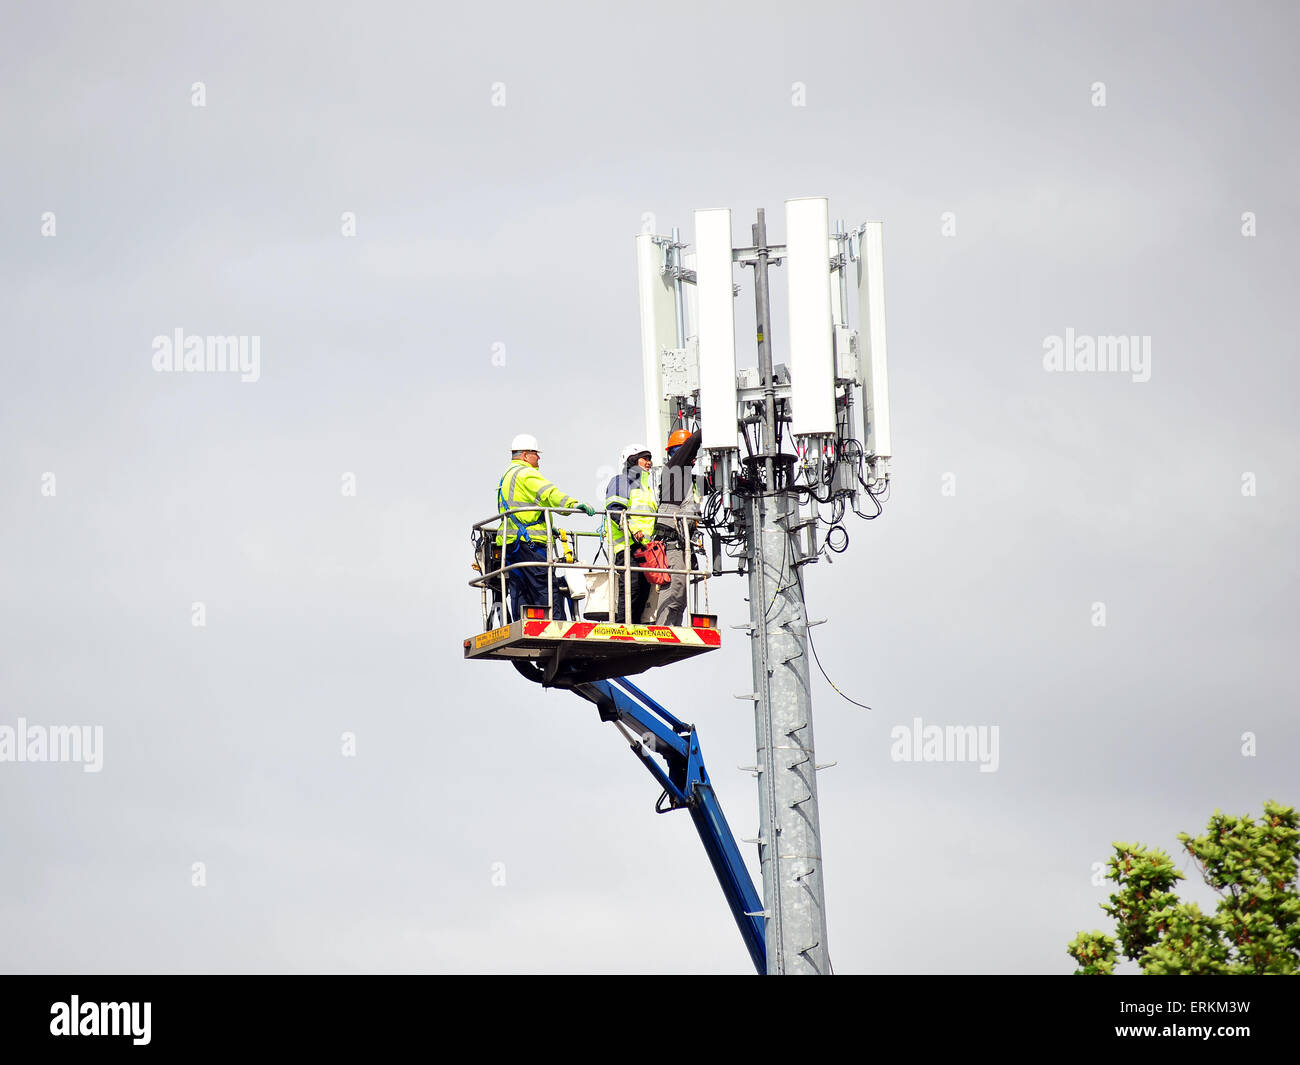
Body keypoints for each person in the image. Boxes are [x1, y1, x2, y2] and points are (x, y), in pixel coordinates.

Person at [496, 434, 595, 621]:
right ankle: (555, 626)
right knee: (545, 586)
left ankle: (523, 625)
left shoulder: (506, 478)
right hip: (529, 543)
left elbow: (523, 510)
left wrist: (551, 528)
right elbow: (550, 494)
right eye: (535, 453)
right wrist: (573, 505)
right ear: (525, 455)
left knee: (520, 589)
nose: (538, 458)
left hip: (511, 544)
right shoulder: (527, 474)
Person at [648, 427, 703, 626]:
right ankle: (664, 628)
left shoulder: (687, 478)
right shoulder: (674, 467)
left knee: (680, 592)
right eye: (692, 453)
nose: (694, 458)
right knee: (674, 588)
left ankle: (673, 627)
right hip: (672, 541)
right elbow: (693, 441)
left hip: (682, 543)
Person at [603, 443, 657, 624]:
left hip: (645, 549)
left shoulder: (647, 490)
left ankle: (634, 625)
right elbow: (615, 509)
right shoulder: (621, 481)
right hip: (627, 546)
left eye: (650, 459)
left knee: (643, 590)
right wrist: (634, 532)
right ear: (632, 461)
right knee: (630, 589)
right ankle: (624, 626)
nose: (649, 462)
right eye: (645, 458)